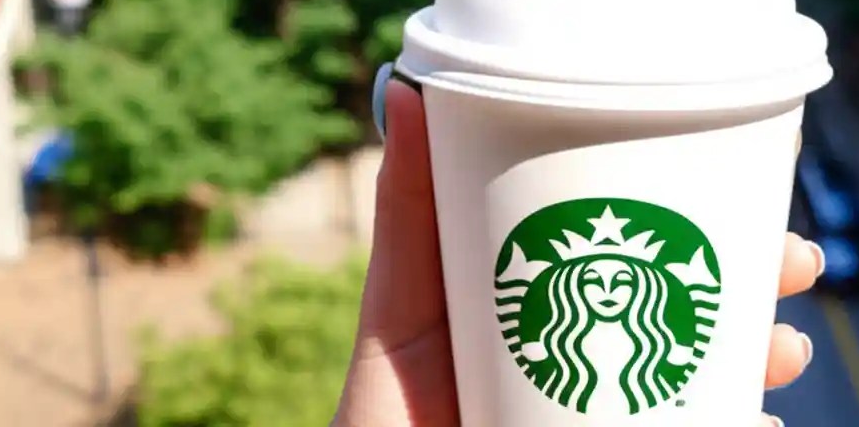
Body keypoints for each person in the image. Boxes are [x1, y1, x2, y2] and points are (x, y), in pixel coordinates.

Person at [333, 79, 823, 427]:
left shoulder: (657, 354)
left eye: (623, 281)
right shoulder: (556, 352)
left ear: (647, 291)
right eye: (592, 280)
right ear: (567, 289)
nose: (608, 292)